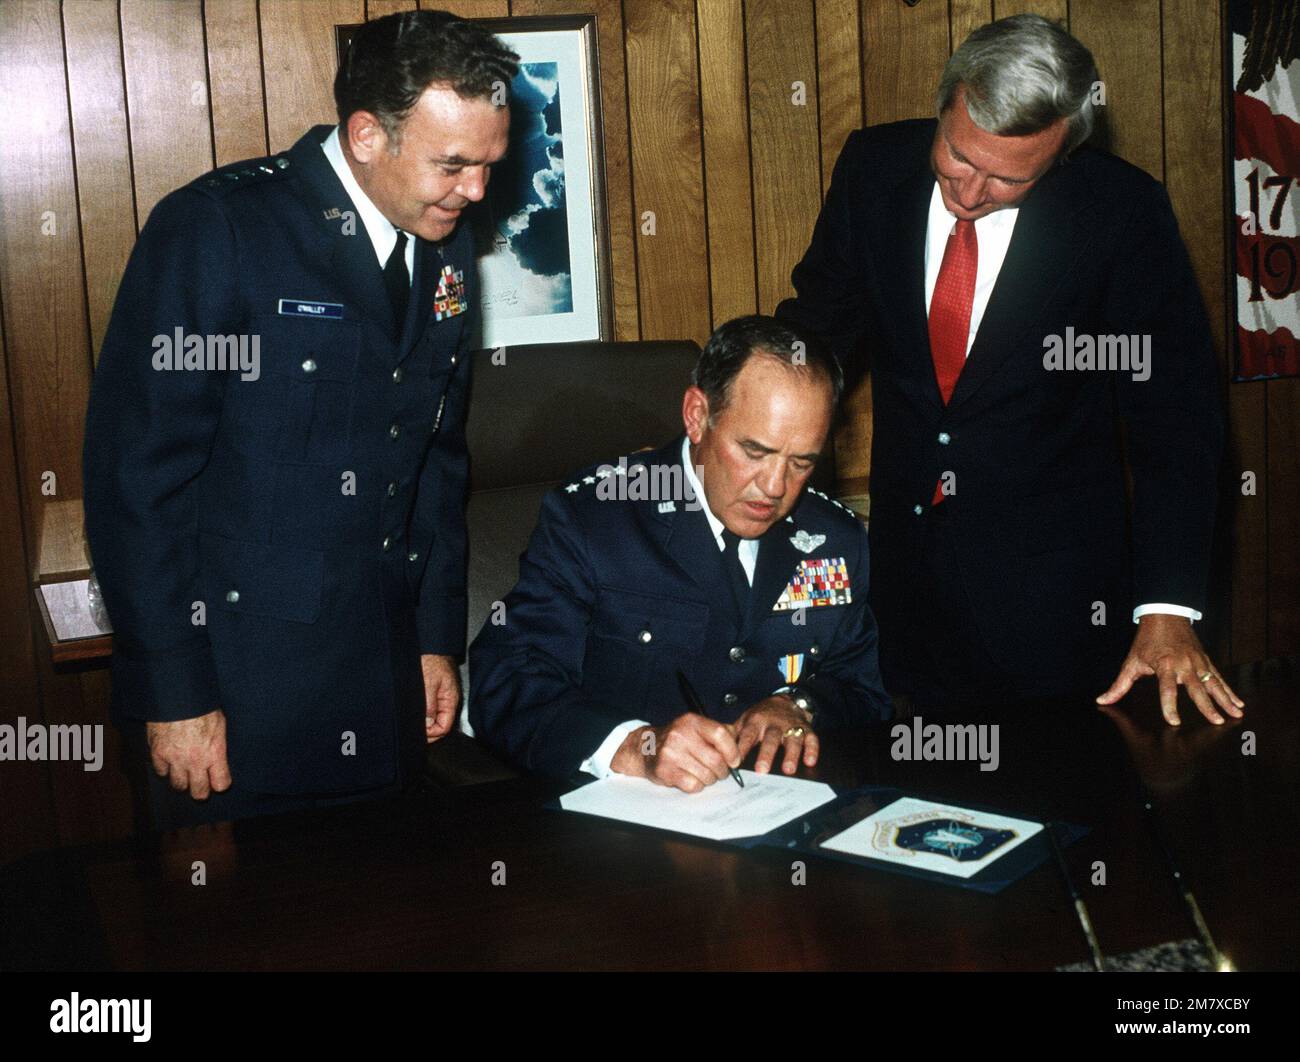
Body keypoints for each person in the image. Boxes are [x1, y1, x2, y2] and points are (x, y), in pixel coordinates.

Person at [82, 11, 517, 826]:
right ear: (365, 137)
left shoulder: (446, 244)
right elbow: (137, 481)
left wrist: (433, 638)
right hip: (239, 698)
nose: (477, 191)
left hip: (382, 687)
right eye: (453, 164)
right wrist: (173, 691)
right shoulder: (220, 231)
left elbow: (436, 458)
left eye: (488, 162)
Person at [776, 14, 1244, 727]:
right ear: (946, 104)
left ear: (1059, 156)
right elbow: (815, 334)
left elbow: (1175, 416)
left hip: (1054, 608)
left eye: (1006, 179)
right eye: (958, 159)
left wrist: (1167, 607)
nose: (968, 193)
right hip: (903, 589)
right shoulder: (873, 168)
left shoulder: (1121, 212)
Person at [468, 316, 891, 790]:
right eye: (754, 451)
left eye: (801, 462)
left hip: (778, 811)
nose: (775, 488)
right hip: (622, 829)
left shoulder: (834, 536)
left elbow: (863, 690)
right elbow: (505, 681)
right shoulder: (596, 520)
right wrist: (635, 746)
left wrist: (799, 705)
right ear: (697, 416)